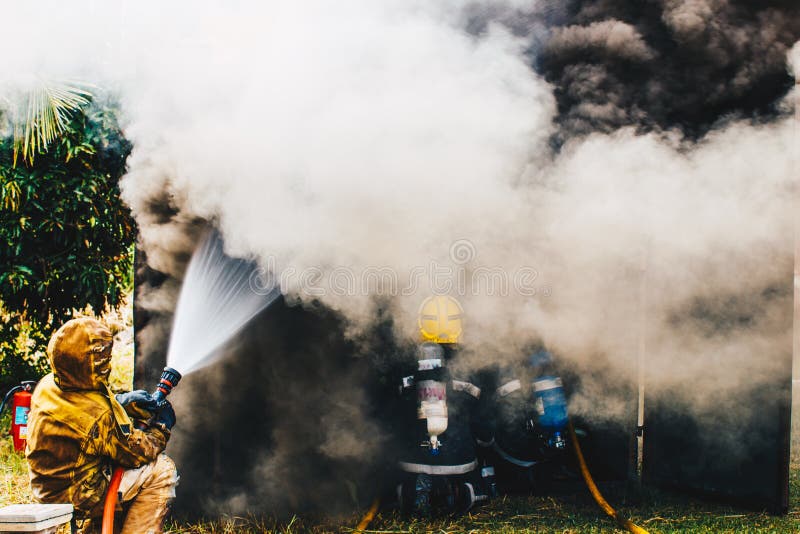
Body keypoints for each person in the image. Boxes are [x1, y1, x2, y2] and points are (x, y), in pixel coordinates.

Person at [25, 317, 178, 534]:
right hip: (80, 496)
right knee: (161, 470)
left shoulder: (48, 384)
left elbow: (79, 411)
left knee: (119, 473)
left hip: (46, 488)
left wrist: (120, 402)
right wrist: (162, 427)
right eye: (104, 359)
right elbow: (137, 453)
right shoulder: (101, 415)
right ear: (92, 364)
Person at [395, 296, 490, 515]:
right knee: (468, 467)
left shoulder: (407, 363)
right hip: (458, 459)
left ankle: (414, 493)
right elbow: (479, 415)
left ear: (420, 325)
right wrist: (487, 440)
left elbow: (397, 411)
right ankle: (464, 491)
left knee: (412, 477)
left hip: (413, 460)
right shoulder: (468, 364)